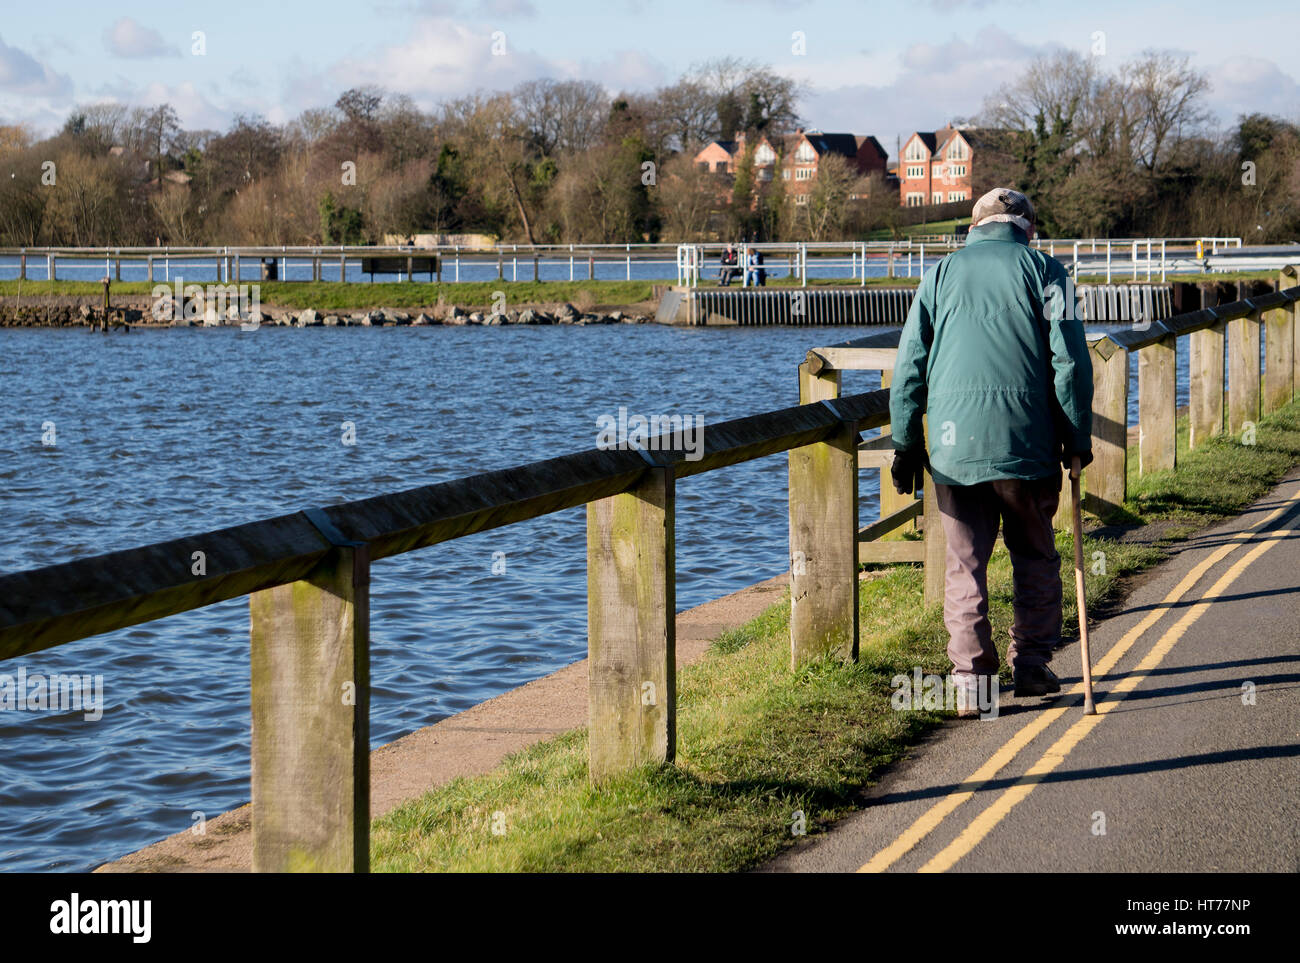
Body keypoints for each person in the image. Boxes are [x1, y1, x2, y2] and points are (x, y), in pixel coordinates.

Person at [888, 188, 1093, 717]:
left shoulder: (938, 276)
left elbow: (910, 363)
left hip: (955, 450)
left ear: (974, 228)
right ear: (1027, 228)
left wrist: (906, 445)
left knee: (964, 565)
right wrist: (1077, 439)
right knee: (1034, 554)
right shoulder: (1049, 272)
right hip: (1028, 447)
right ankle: (1031, 666)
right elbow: (1070, 362)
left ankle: (971, 684)